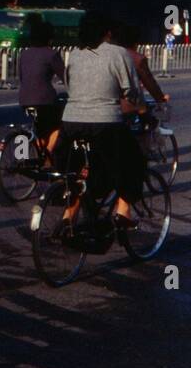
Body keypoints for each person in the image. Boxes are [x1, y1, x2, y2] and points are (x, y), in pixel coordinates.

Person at [60, 12, 146, 226]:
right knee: (135, 161)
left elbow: (69, 86)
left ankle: (68, 217)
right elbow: (132, 91)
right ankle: (123, 213)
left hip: (71, 122)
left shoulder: (75, 54)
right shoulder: (118, 53)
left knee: (78, 173)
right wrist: (136, 106)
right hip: (105, 122)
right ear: (108, 33)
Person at [16, 18, 65, 164]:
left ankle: (28, 156)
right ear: (49, 38)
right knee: (61, 124)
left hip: (24, 99)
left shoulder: (24, 54)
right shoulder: (51, 54)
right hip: (45, 100)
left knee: (41, 128)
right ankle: (47, 155)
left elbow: (22, 77)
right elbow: (66, 77)